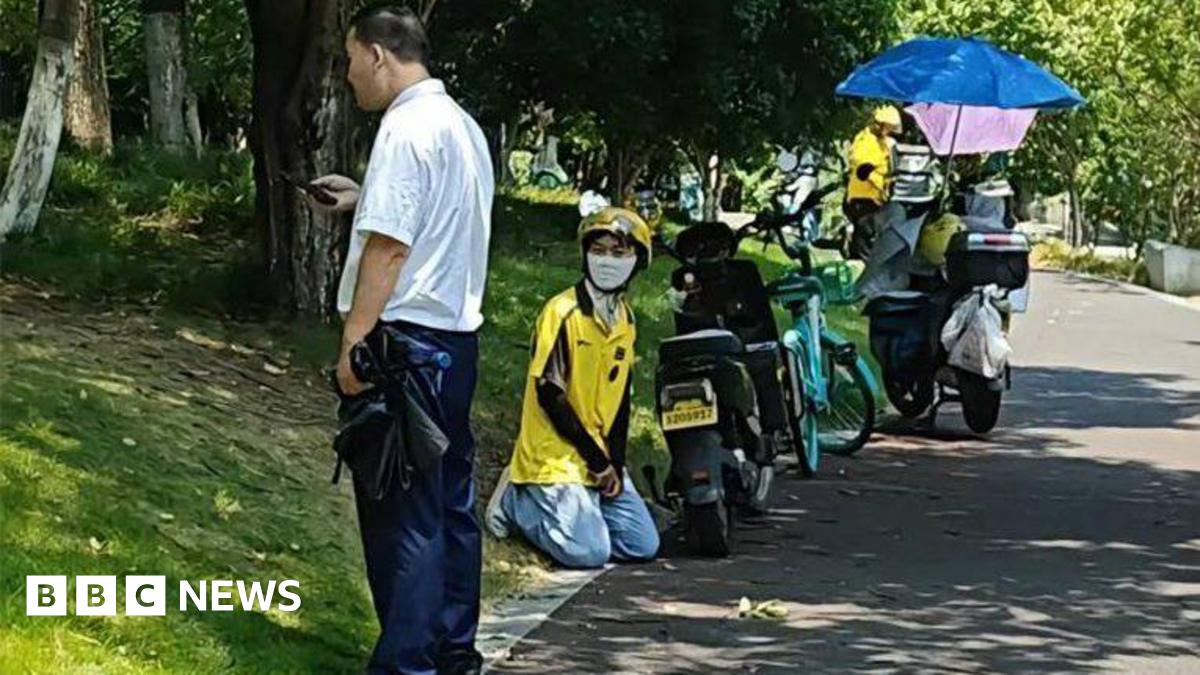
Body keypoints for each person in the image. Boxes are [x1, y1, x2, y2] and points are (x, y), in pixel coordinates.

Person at [307, 6, 494, 674]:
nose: (349, 74)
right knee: (450, 505)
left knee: (402, 514)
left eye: (351, 59)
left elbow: (390, 248)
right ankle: (453, 651)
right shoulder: (461, 126)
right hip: (456, 342)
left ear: (379, 55)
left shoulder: (405, 127)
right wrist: (365, 197)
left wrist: (354, 343)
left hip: (405, 345)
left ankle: (407, 663)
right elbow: (438, 215)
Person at [484, 206, 660, 569]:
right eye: (598, 250)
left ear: (637, 260)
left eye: (619, 252)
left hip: (596, 456)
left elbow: (620, 400)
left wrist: (615, 464)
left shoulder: (625, 319)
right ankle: (516, 500)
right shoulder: (562, 312)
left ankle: (585, 512)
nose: (607, 261)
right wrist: (598, 462)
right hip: (555, 456)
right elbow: (551, 394)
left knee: (642, 544)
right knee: (590, 553)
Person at [845, 105, 902, 259]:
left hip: (875, 198)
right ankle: (860, 263)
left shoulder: (882, 142)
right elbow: (862, 166)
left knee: (872, 234)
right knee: (864, 234)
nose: (889, 131)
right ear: (880, 124)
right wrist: (880, 182)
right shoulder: (865, 140)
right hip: (862, 196)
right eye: (888, 127)